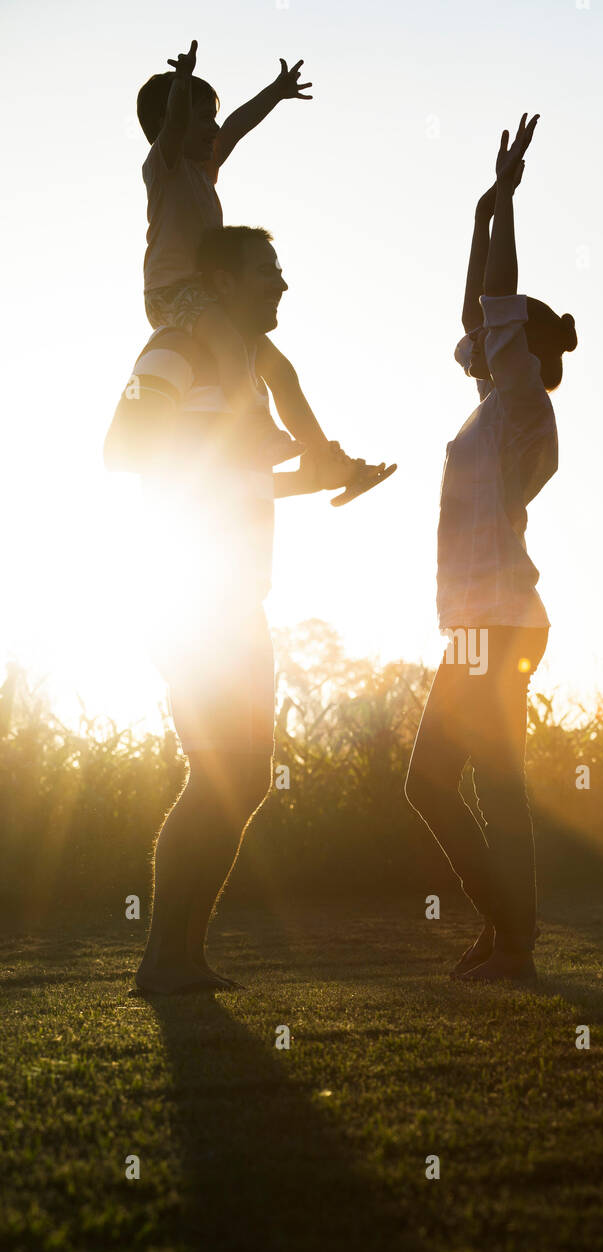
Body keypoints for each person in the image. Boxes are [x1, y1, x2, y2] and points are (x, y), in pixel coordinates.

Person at [105, 225, 383, 994]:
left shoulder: (246, 378)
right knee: (217, 770)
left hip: (234, 600)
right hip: (191, 601)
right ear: (223, 281)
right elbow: (122, 448)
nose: (283, 285)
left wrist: (324, 476)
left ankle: (182, 957)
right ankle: (163, 959)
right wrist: (241, 451)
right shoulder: (175, 351)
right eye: (269, 272)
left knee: (244, 776)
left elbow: (239, 479)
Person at [405, 115, 577, 984]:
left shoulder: (523, 406)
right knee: (453, 782)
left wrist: (507, 205)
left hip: (500, 621)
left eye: (503, 335)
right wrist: (478, 216)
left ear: (525, 351)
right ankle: (509, 934)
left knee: (443, 779)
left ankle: (512, 937)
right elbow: (475, 308)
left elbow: (492, 300)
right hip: (485, 620)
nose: (485, 340)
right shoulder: (494, 405)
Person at [137, 37, 331, 470]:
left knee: (279, 369)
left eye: (213, 118)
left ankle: (321, 454)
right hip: (172, 294)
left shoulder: (205, 170)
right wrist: (182, 83)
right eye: (203, 119)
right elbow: (173, 127)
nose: (213, 129)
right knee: (227, 343)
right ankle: (257, 430)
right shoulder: (164, 168)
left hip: (209, 297)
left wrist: (275, 93)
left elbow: (238, 126)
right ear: (174, 123)